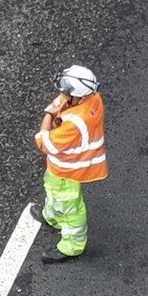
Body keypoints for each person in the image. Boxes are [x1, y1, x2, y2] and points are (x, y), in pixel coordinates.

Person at [33, 64, 107, 263]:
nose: (62, 94)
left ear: (78, 96)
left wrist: (49, 114)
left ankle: (72, 246)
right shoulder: (93, 99)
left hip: (68, 170)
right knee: (53, 190)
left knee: (71, 210)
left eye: (66, 91)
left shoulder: (73, 124)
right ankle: (52, 218)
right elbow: (61, 101)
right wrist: (59, 104)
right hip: (62, 167)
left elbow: (43, 141)